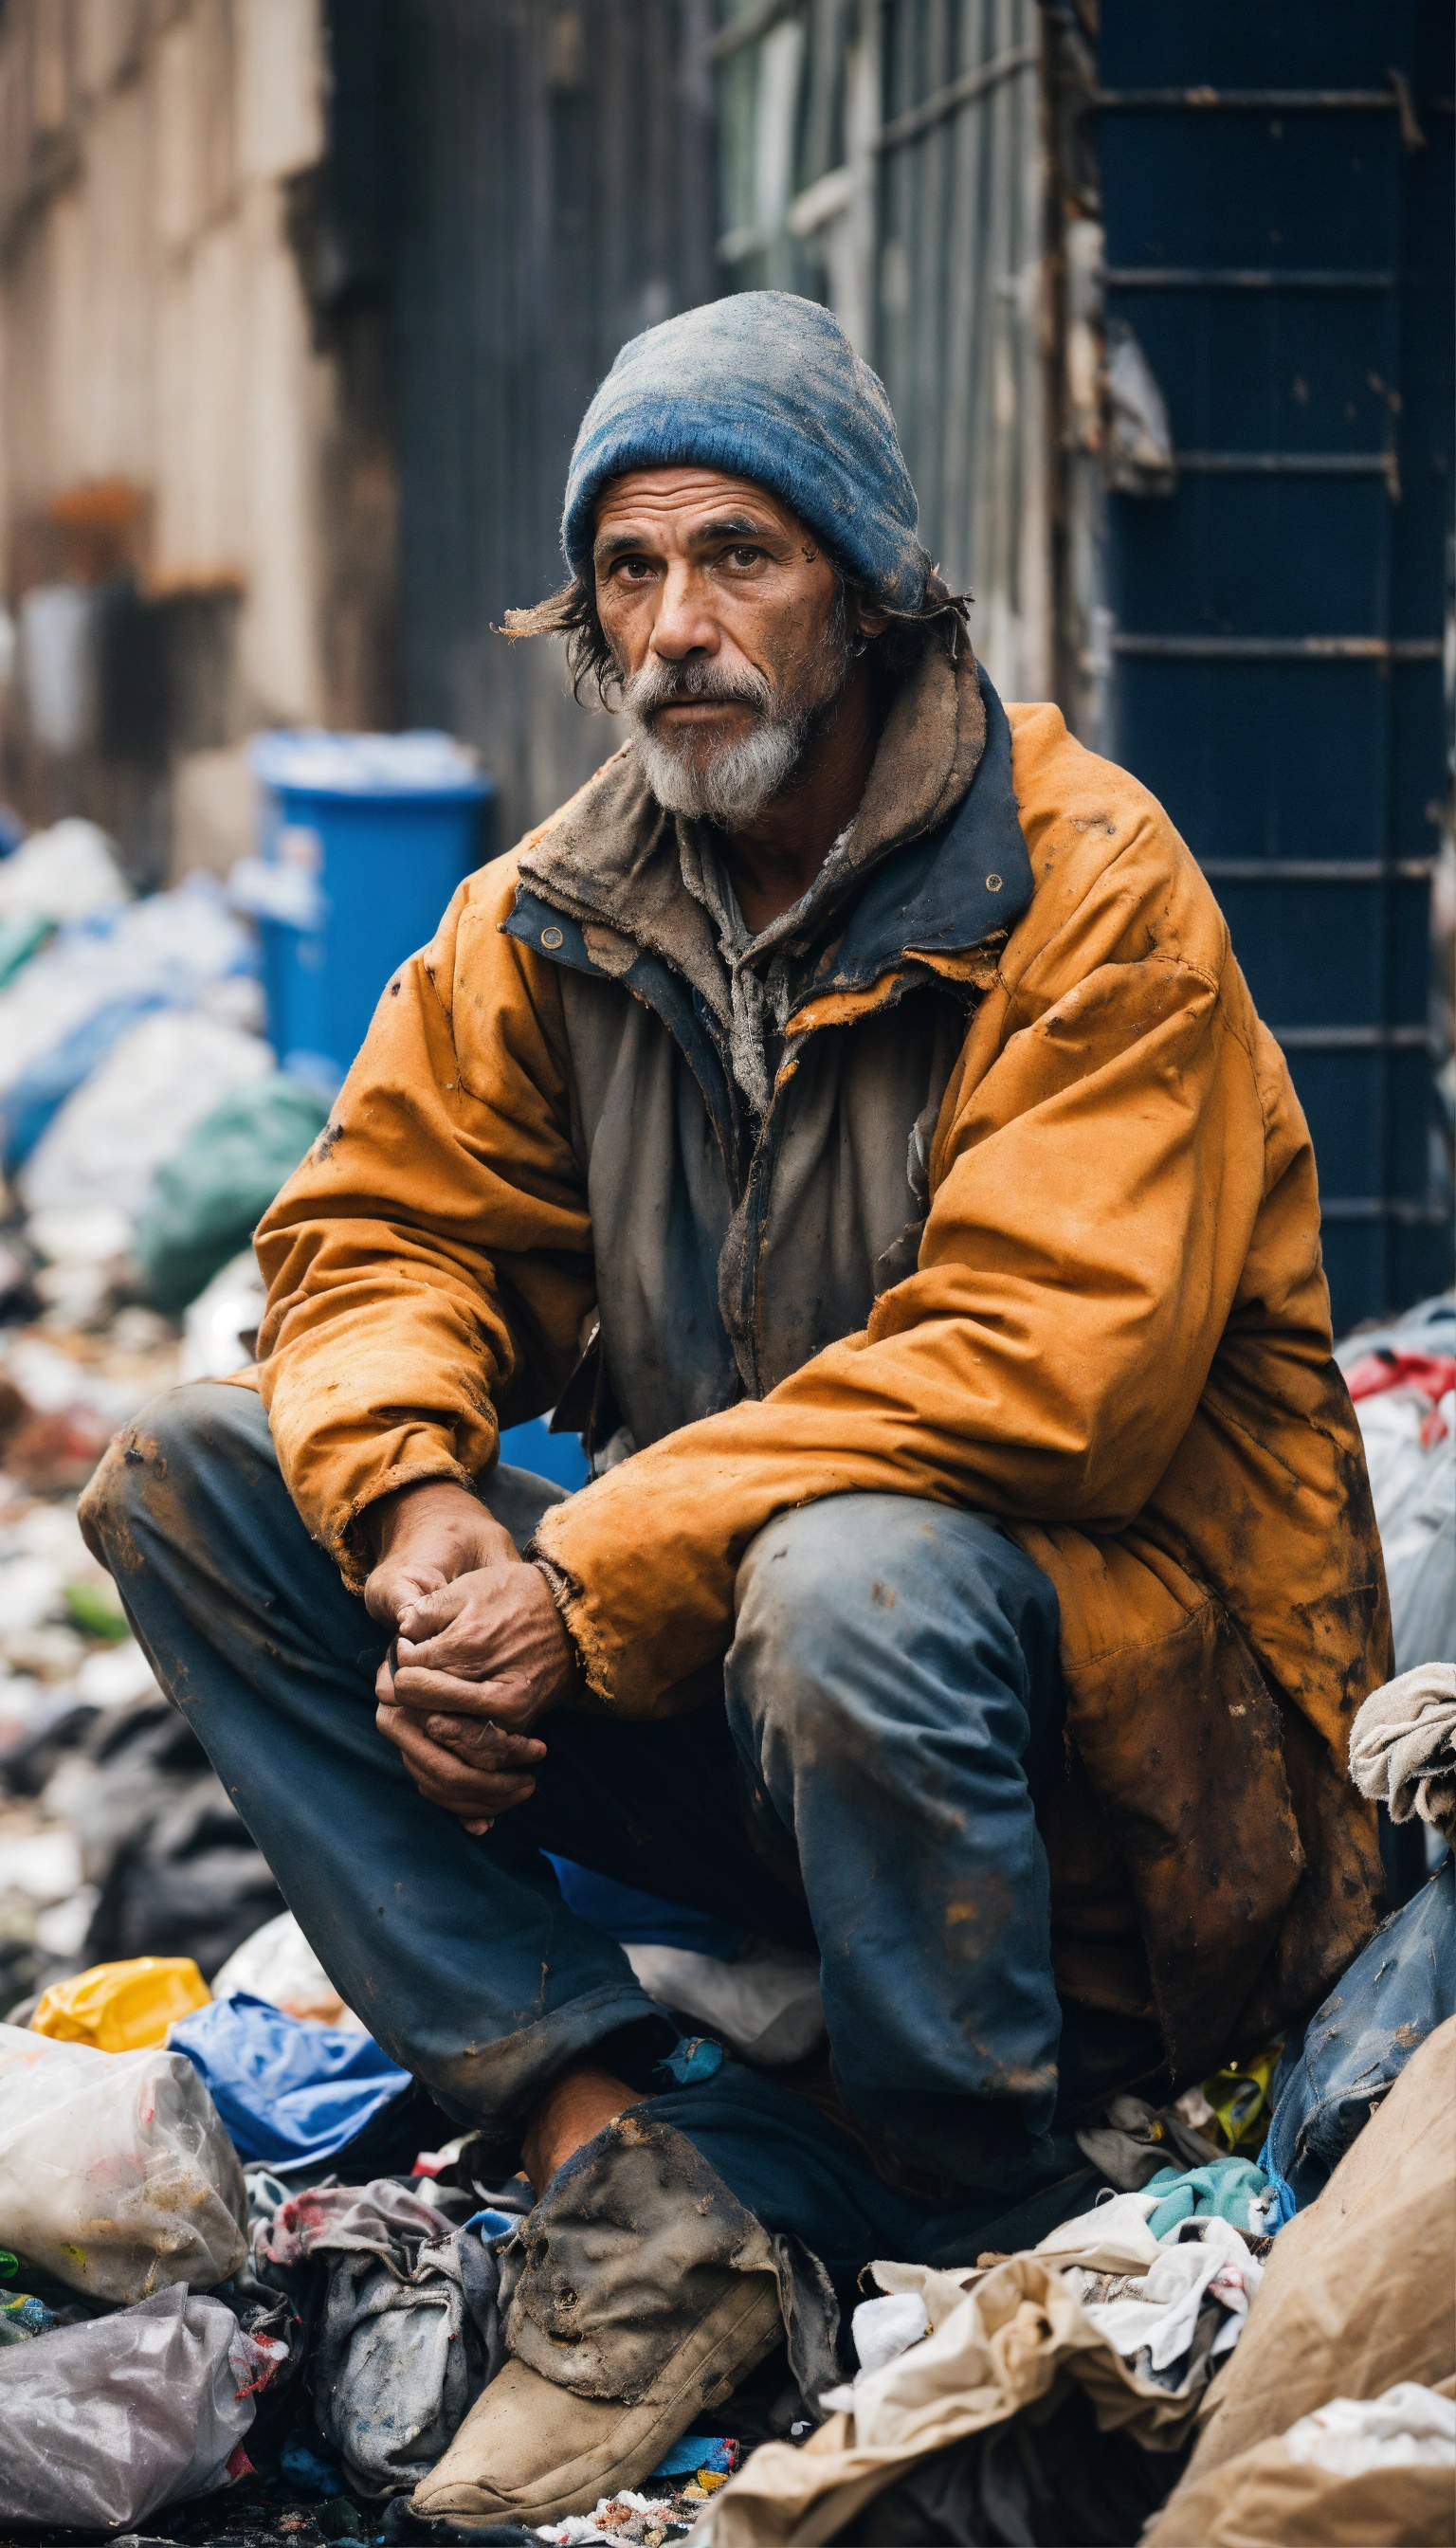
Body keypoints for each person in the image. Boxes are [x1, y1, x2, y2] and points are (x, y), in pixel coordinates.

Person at [82, 292, 1392, 2527]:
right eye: (630, 573)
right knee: (200, 1474)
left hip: (1140, 1804)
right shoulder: (564, 915)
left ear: (871, 590)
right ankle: (624, 2170)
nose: (681, 627)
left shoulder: (1093, 890)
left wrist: (574, 1569)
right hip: (778, 1727)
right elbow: (368, 1238)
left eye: (742, 560)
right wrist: (425, 1532)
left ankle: (978, 2206)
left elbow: (1043, 1371)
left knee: (849, 1575)